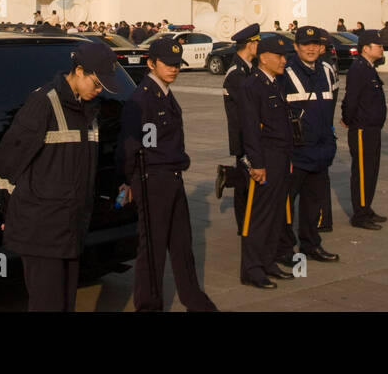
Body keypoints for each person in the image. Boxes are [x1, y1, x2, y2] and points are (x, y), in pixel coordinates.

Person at [0, 41, 116, 311]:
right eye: (96, 84)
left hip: (70, 228)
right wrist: (10, 212)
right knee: (47, 304)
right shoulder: (43, 103)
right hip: (41, 229)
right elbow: (7, 162)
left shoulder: (88, 110)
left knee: (64, 304)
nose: (99, 91)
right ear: (79, 71)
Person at [117, 37, 217, 312]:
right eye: (168, 64)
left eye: (177, 64)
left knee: (182, 244)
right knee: (153, 249)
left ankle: (193, 298)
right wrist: (130, 180)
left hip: (171, 176)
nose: (174, 69)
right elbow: (129, 145)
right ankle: (149, 305)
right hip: (153, 179)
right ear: (151, 63)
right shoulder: (142, 98)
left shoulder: (163, 92)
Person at [237, 34, 295, 289]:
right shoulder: (252, 86)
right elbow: (250, 129)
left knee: (275, 215)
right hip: (265, 158)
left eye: (285, 56)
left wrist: (289, 158)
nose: (284, 61)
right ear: (263, 58)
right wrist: (257, 164)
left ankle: (268, 261)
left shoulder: (275, 83)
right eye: (279, 56)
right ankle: (251, 268)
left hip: (281, 157)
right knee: (258, 216)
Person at [278, 26, 339, 266]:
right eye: (305, 44)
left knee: (313, 203)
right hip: (296, 151)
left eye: (315, 44)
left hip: (321, 150)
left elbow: (331, 104)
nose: (311, 48)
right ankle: (283, 249)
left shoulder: (326, 69)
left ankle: (311, 244)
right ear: (296, 47)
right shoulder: (286, 72)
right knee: (286, 204)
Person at [342, 30, 387, 228]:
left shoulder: (368, 67)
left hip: (372, 128)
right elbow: (351, 99)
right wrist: (348, 119)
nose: (382, 48)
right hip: (362, 129)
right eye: (379, 46)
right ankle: (359, 215)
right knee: (362, 172)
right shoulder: (358, 69)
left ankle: (366, 208)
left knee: (371, 171)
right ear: (366, 49)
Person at [219, 23, 261, 234]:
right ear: (250, 45)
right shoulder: (236, 73)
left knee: (247, 178)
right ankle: (244, 225)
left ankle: (229, 175)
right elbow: (247, 108)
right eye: (257, 43)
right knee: (244, 184)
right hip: (243, 135)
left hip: (251, 134)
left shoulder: (250, 69)